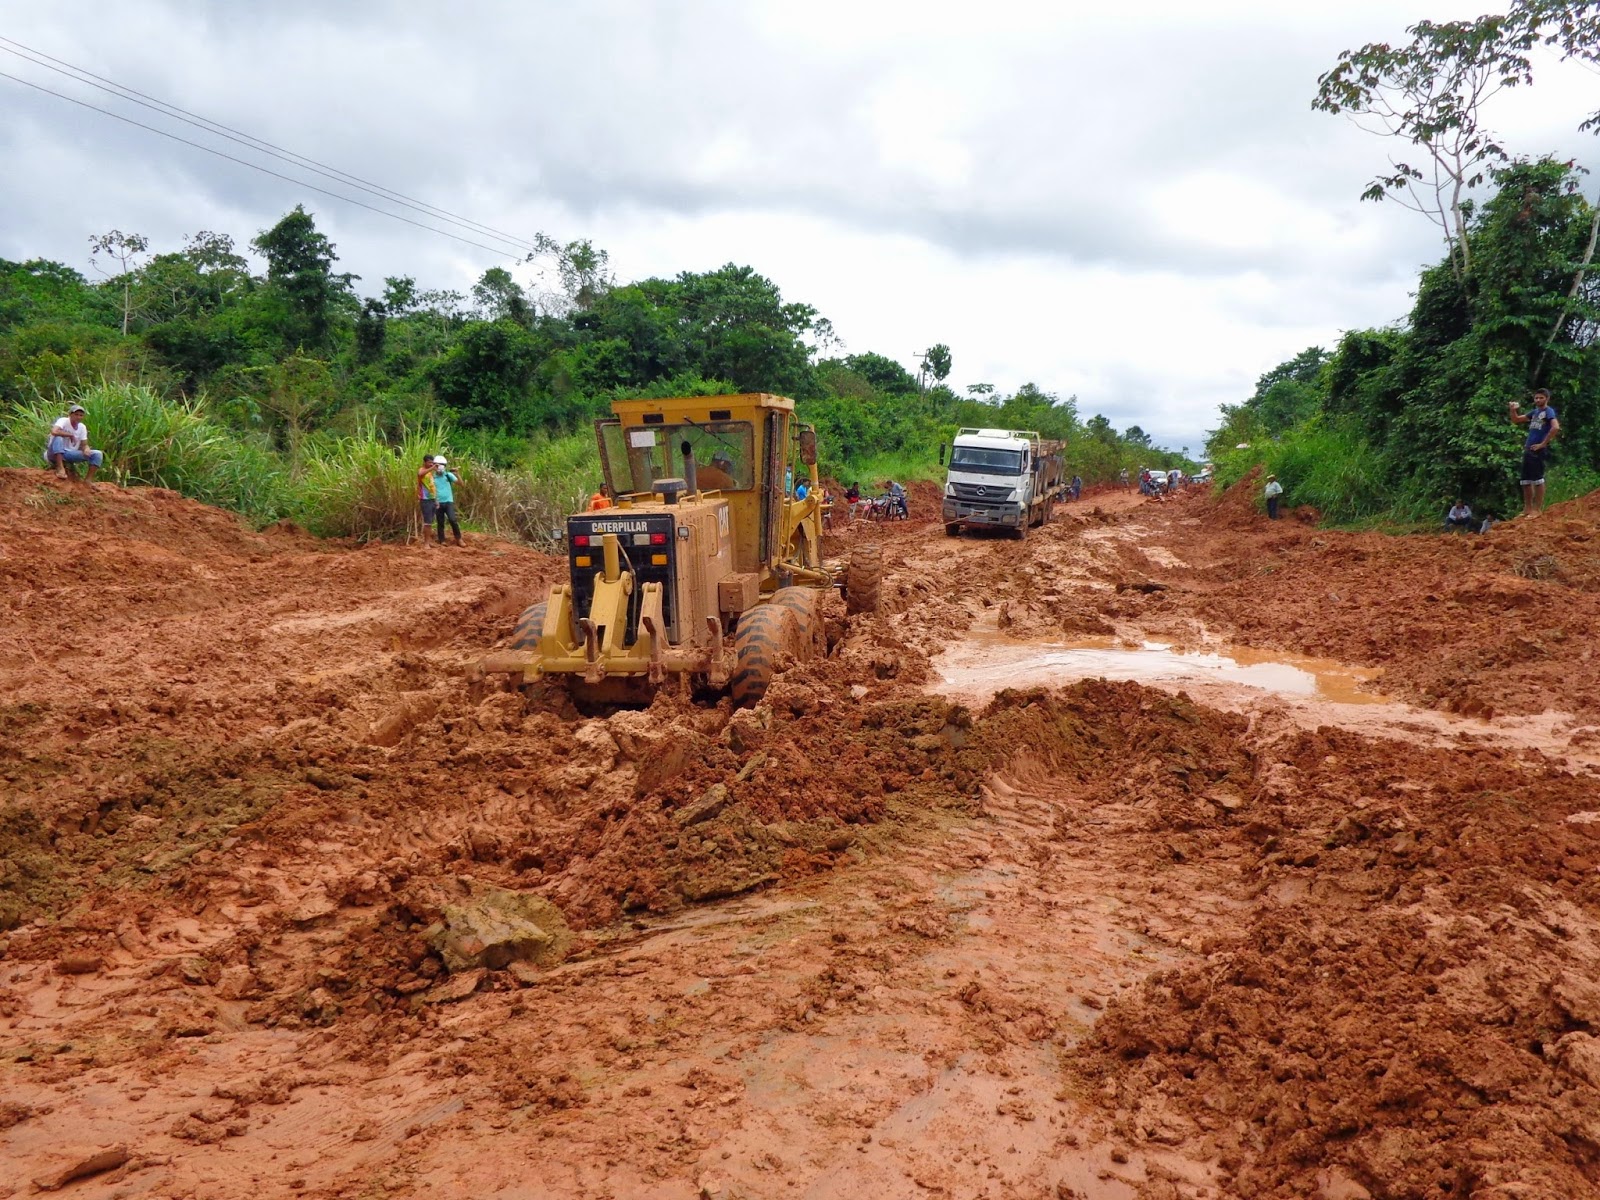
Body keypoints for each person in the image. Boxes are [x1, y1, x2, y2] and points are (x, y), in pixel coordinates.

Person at [1510, 387, 1560, 516]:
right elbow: (1516, 420)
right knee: (1525, 480)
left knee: (1538, 480)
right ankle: (1527, 508)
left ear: (1547, 399)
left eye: (1541, 398)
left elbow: (1555, 427)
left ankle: (1537, 509)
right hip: (1528, 448)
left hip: (1537, 450)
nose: (1538, 400)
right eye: (1536, 398)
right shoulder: (1535, 412)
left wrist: (1543, 444)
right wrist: (1513, 409)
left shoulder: (1548, 412)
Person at [46, 404, 104, 482]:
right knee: (58, 437)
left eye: (81, 415)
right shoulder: (63, 420)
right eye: (76, 414)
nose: (78, 417)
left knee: (97, 454)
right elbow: (54, 431)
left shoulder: (82, 427)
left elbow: (84, 444)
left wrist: (86, 449)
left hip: (69, 454)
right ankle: (60, 468)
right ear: (70, 415)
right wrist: (70, 435)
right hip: (54, 453)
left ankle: (88, 480)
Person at [432, 456, 463, 545]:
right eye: (438, 465)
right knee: (440, 522)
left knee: (452, 519)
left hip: (448, 501)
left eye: (442, 465)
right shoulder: (432, 477)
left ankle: (459, 539)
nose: (440, 467)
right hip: (438, 502)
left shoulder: (448, 475)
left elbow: (461, 484)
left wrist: (457, 474)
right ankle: (442, 540)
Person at [417, 455, 438, 538]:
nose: (431, 464)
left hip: (432, 499)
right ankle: (426, 543)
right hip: (425, 500)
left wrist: (436, 500)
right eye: (429, 462)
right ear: (424, 462)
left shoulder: (429, 473)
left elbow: (432, 488)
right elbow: (420, 474)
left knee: (430, 522)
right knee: (427, 522)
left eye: (432, 462)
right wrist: (432, 468)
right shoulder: (422, 470)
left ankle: (428, 541)